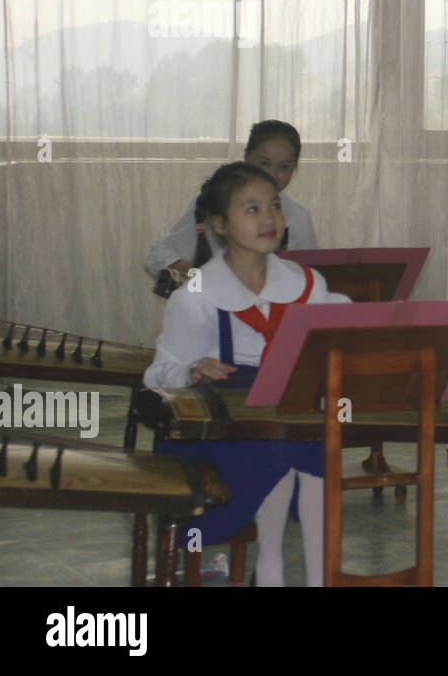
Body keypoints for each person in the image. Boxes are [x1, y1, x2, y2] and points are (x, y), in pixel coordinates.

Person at [144, 162, 350, 586]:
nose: (270, 218)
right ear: (218, 224)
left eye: (274, 205)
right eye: (252, 209)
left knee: (312, 459)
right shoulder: (196, 295)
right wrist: (191, 368)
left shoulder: (308, 284)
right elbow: (157, 375)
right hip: (223, 433)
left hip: (288, 421)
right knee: (279, 458)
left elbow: (342, 342)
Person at [145, 120, 317, 292]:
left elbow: (310, 277)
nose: (272, 175)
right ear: (247, 157)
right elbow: (158, 253)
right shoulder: (216, 203)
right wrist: (187, 270)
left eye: (284, 167)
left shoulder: (298, 217)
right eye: (264, 163)